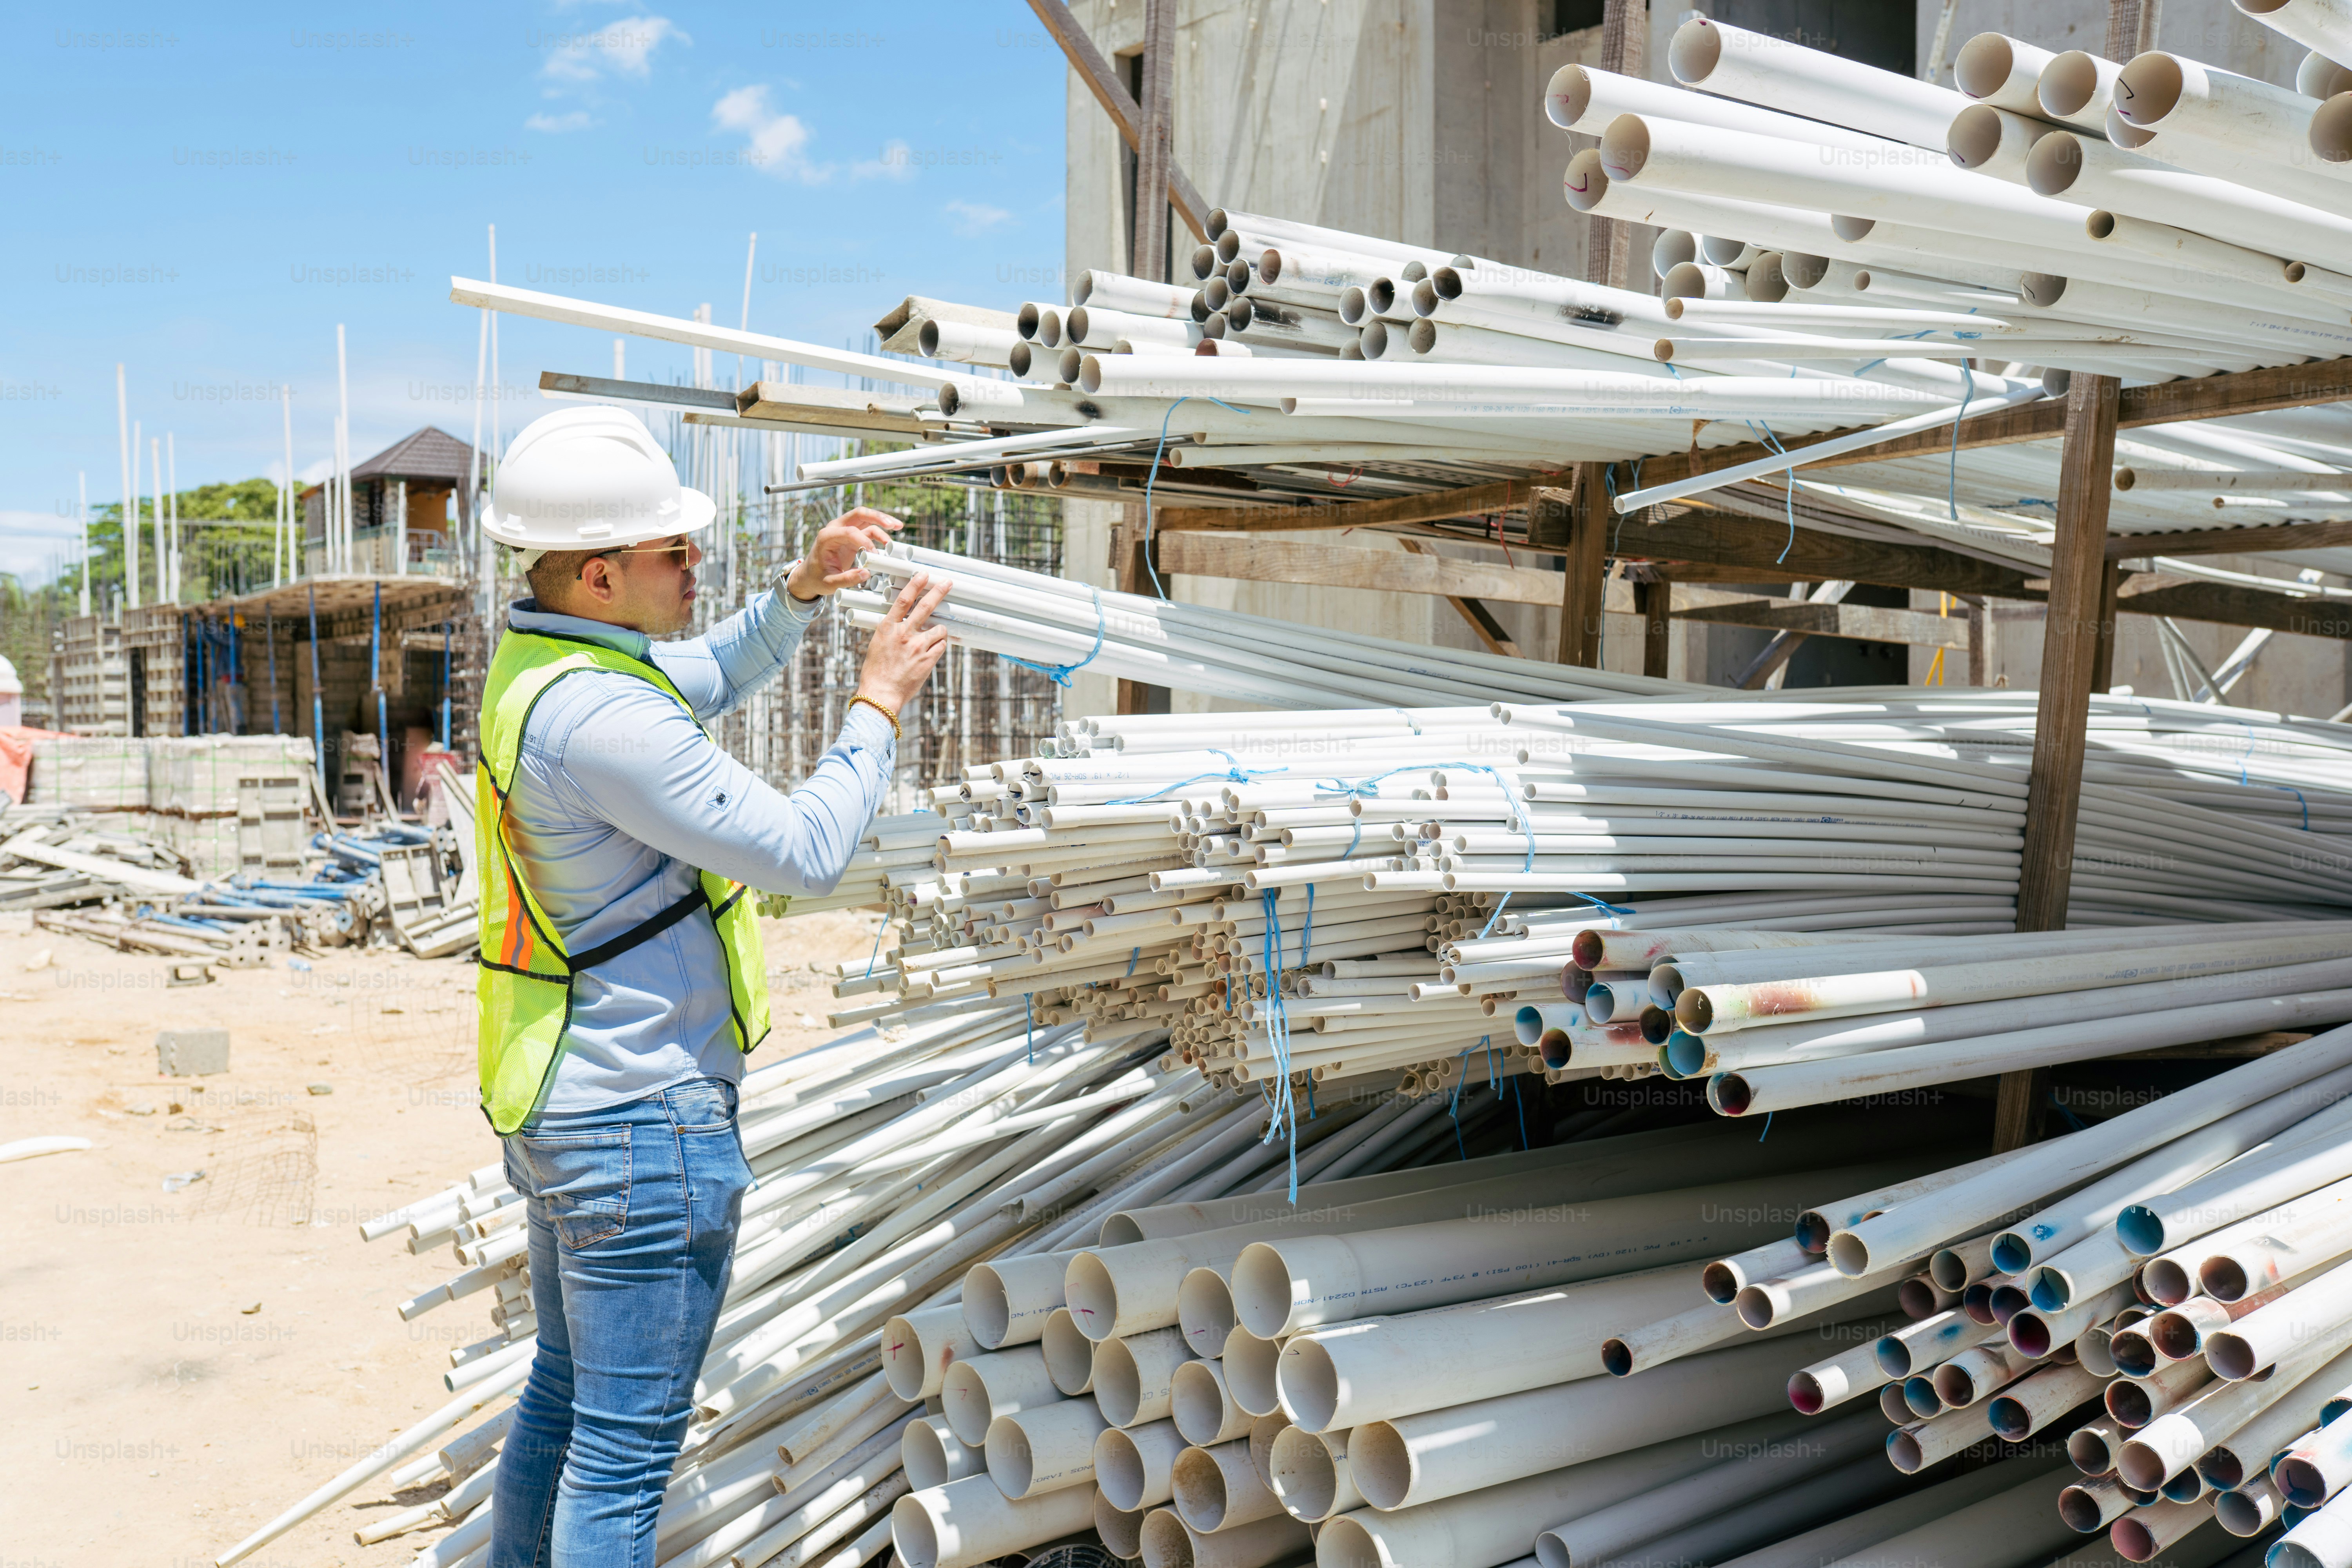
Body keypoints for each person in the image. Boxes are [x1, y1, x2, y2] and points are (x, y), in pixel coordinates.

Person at [470, 404, 949, 1565]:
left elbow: (711, 669)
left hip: (563, 1102)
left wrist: (803, 588)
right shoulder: (604, 719)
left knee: (564, 1400)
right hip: (641, 1124)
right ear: (598, 574)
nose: (697, 566)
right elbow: (801, 851)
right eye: (674, 553)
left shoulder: (547, 668)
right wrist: (878, 704)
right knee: (625, 1464)